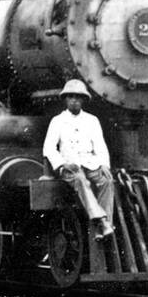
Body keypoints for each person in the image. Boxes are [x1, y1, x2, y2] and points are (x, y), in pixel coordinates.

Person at [43, 79, 115, 238]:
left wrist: (104, 164)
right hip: (70, 167)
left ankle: (103, 226)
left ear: (83, 99)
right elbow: (48, 148)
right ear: (65, 99)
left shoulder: (92, 120)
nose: (74, 100)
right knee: (82, 181)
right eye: (70, 97)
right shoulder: (57, 121)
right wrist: (62, 164)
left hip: (91, 164)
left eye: (78, 97)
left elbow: (100, 145)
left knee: (107, 181)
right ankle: (101, 222)